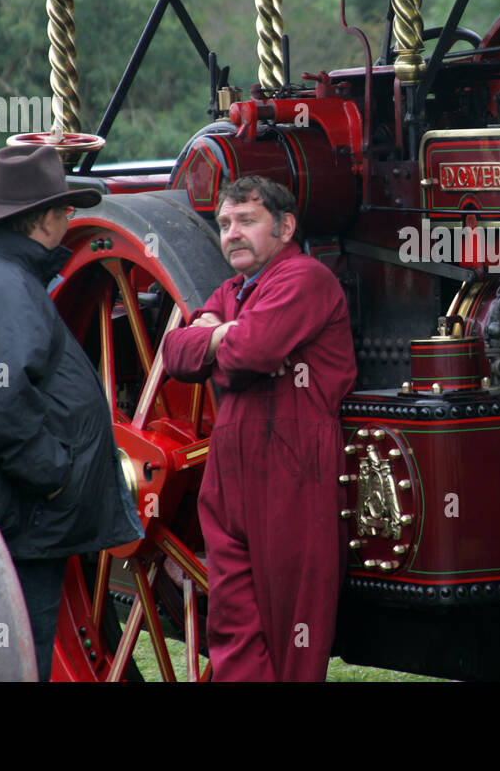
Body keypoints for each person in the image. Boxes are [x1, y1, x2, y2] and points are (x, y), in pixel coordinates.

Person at [0, 145, 143, 681]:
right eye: (64, 210)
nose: (69, 220)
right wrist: (54, 477)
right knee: (17, 661)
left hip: (9, 513)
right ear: (42, 218)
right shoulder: (3, 286)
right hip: (19, 516)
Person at [161, 175, 356, 681]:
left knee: (290, 622)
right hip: (230, 465)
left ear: (285, 226)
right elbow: (175, 354)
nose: (231, 234)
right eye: (224, 224)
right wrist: (225, 338)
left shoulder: (306, 279)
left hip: (294, 462)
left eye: (247, 221)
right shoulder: (232, 290)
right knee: (232, 621)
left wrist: (217, 337)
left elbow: (253, 352)